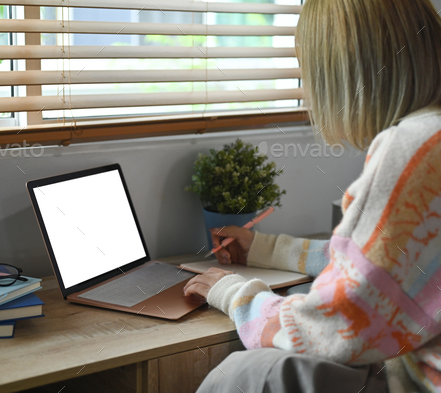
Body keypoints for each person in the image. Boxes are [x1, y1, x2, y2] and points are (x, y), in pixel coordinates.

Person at [183, 0, 441, 392]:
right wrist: (265, 249)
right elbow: (389, 264)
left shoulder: (417, 145)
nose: (307, 93)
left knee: (246, 374)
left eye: (308, 75)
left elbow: (334, 326)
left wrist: (234, 293)